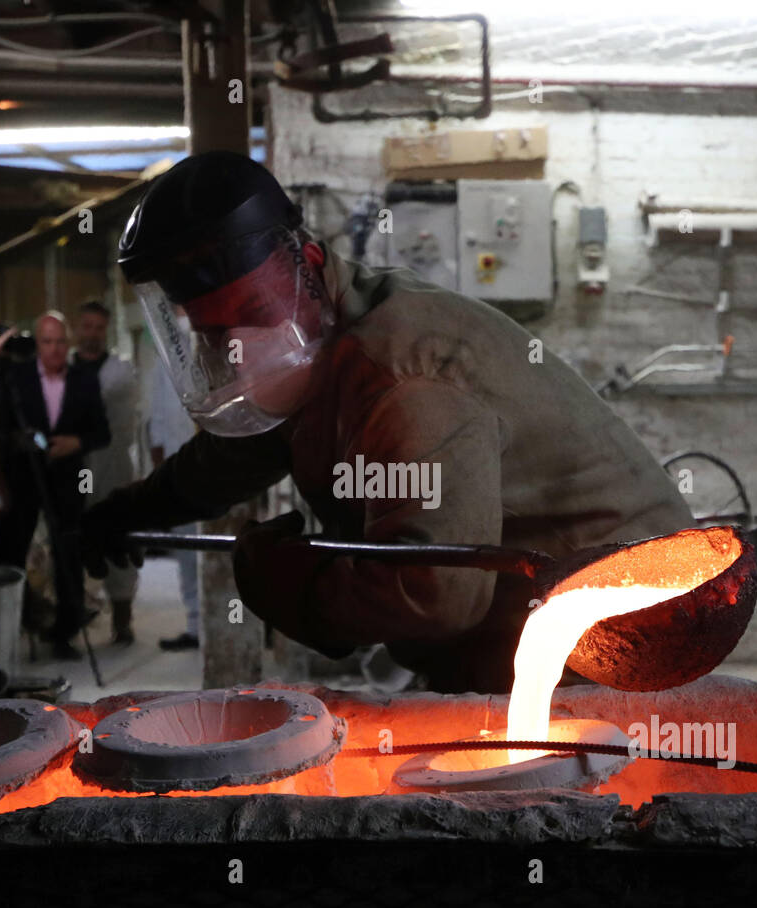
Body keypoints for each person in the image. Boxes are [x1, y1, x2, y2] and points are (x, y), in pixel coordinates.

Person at [81, 151, 691, 693]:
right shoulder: (316, 334)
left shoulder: (404, 379)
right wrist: (133, 511)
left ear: (309, 265)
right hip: (527, 608)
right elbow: (241, 452)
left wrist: (285, 582)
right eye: (212, 332)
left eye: (251, 314)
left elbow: (431, 595)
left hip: (623, 616)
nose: (237, 348)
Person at [0, 311, 109, 659]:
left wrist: (76, 443)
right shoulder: (16, 377)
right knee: (12, 551)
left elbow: (102, 432)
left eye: (60, 342)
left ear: (67, 343)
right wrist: (19, 442)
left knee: (67, 553)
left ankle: (65, 632)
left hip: (66, 477)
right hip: (24, 476)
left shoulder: (85, 379)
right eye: (47, 342)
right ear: (38, 344)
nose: (55, 349)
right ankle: (12, 628)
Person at [70, 300, 140, 644]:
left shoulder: (120, 372)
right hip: (70, 469)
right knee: (68, 540)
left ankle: (122, 619)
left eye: (99, 328)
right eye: (88, 326)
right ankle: (69, 615)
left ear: (106, 330)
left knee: (118, 538)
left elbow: (121, 424)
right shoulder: (64, 366)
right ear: (78, 327)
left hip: (111, 466)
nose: (93, 334)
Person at [145, 327, 200, 651]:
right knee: (187, 550)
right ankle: (195, 623)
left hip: (216, 465)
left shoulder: (216, 348)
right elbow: (156, 421)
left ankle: (227, 621)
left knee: (221, 548)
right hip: (179, 468)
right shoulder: (163, 361)